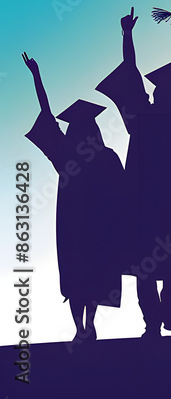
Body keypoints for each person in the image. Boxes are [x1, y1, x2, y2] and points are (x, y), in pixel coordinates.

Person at [96, 6, 171, 337]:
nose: (155, 92)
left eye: (161, 91)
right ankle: (152, 320)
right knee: (144, 261)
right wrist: (127, 35)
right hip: (144, 201)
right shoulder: (144, 119)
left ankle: (168, 307)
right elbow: (131, 71)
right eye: (155, 91)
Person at [23, 54, 130, 342]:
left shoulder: (66, 154)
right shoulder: (102, 156)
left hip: (75, 225)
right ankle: (86, 326)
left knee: (78, 274)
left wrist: (36, 76)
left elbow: (47, 116)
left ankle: (82, 328)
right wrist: (36, 77)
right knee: (89, 272)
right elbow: (124, 191)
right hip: (93, 226)